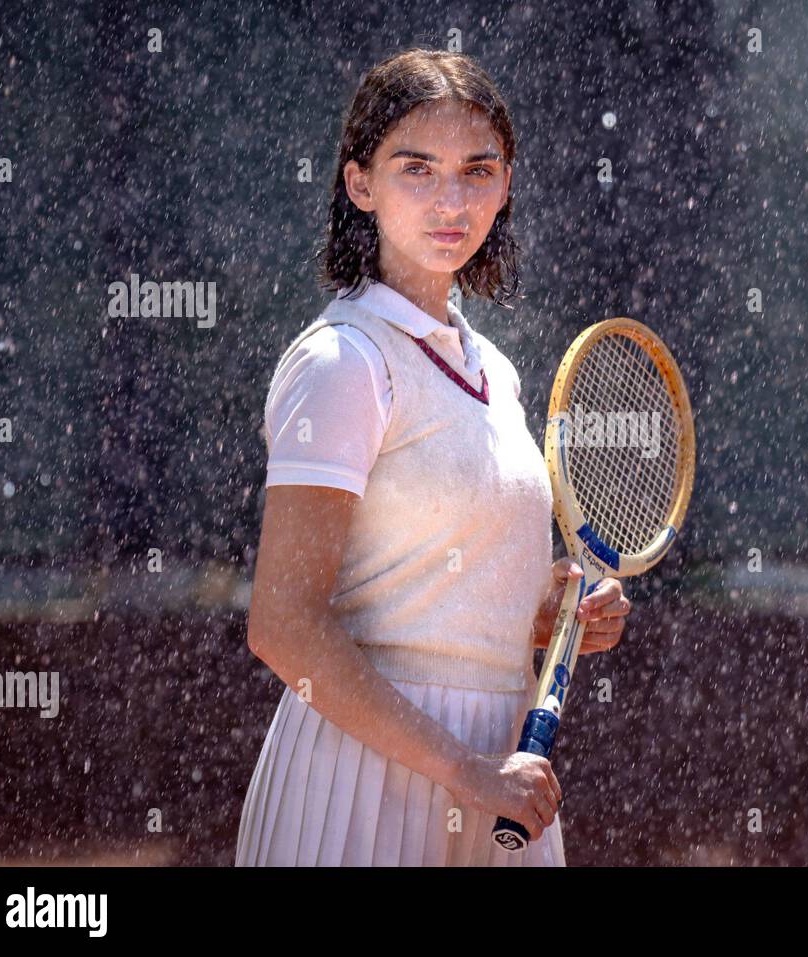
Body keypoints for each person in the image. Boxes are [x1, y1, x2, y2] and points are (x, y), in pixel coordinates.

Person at [234, 48, 632, 867]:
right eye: (417, 169)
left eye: (477, 171)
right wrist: (464, 768)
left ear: (506, 184)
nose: (452, 201)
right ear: (360, 184)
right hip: (358, 795)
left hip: (504, 788)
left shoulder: (497, 371)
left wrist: (550, 614)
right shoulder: (342, 361)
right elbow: (283, 624)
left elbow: (444, 593)